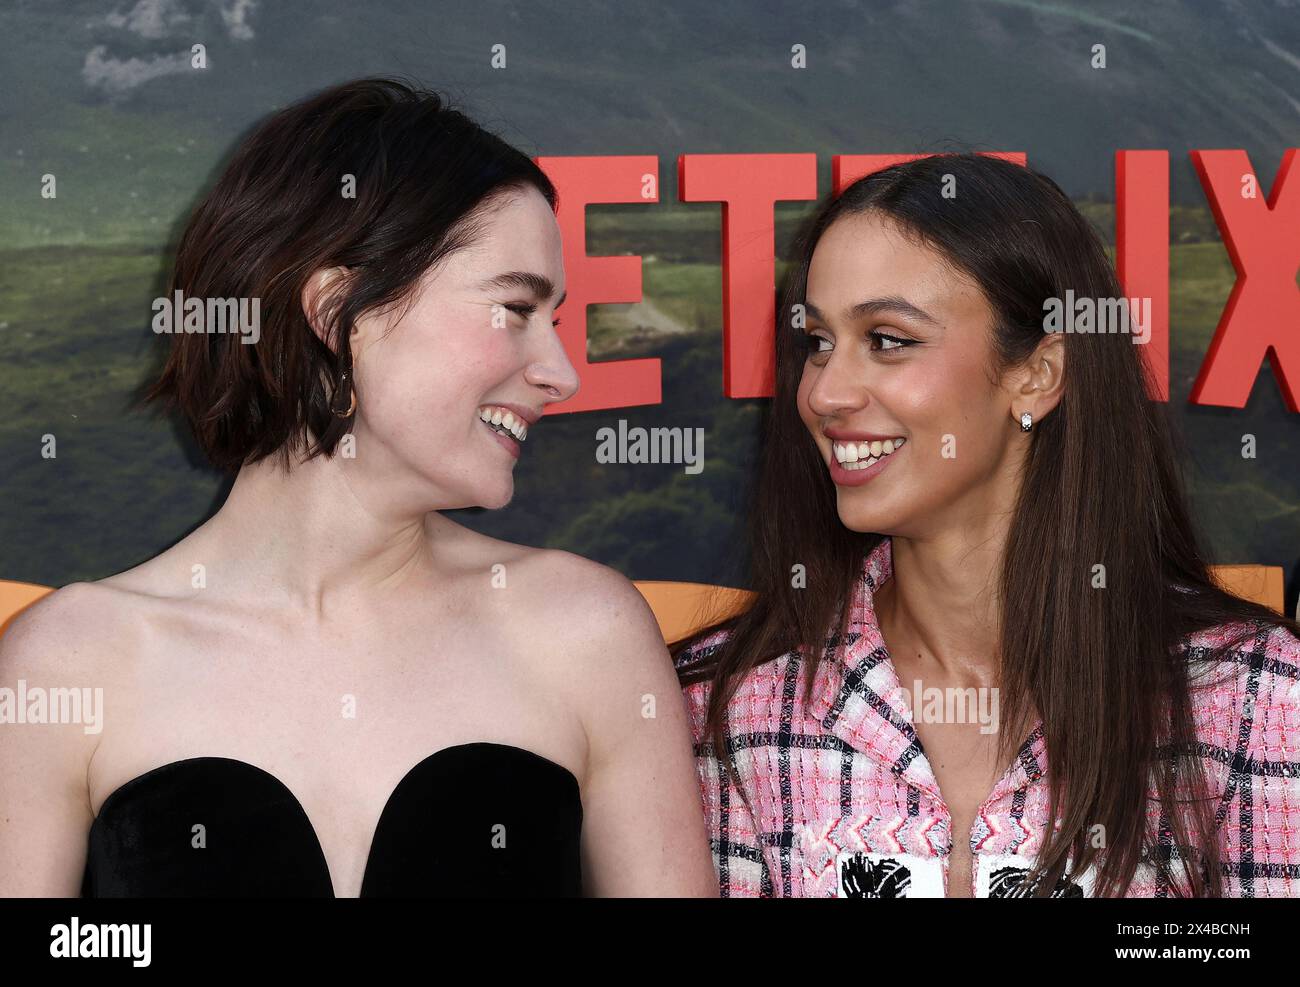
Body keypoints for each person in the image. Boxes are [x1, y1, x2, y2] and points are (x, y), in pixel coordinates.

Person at [0, 78, 716, 898]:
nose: (560, 372)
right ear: (339, 312)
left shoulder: (586, 634)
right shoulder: (68, 665)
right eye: (516, 309)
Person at [673, 152, 1300, 898]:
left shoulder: (1252, 698)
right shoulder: (727, 706)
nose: (826, 392)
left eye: (888, 339)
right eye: (817, 341)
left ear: (1037, 373)